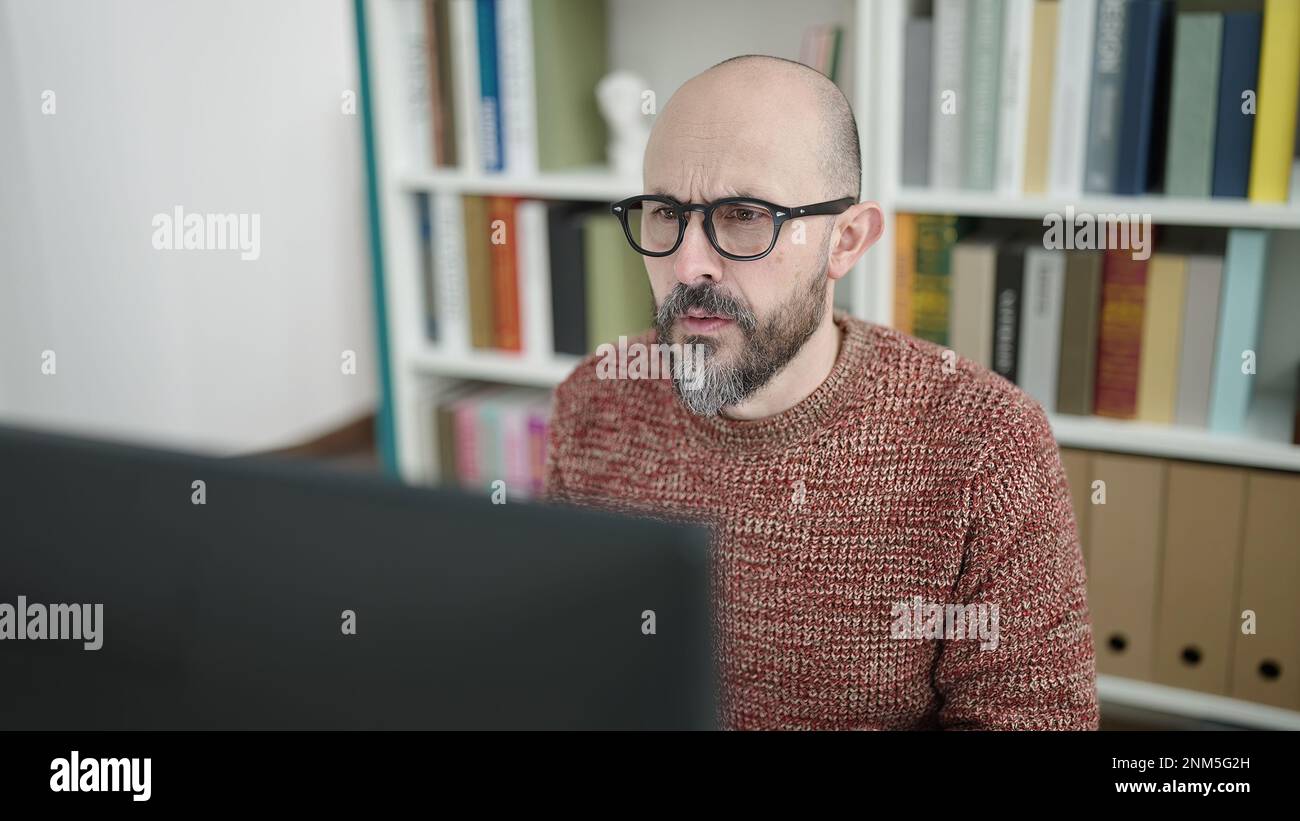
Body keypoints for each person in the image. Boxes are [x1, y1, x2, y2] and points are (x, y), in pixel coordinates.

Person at [544, 54, 1098, 730]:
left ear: (847, 240)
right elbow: (569, 665)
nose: (688, 263)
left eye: (745, 214)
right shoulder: (593, 401)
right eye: (665, 211)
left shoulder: (986, 443)